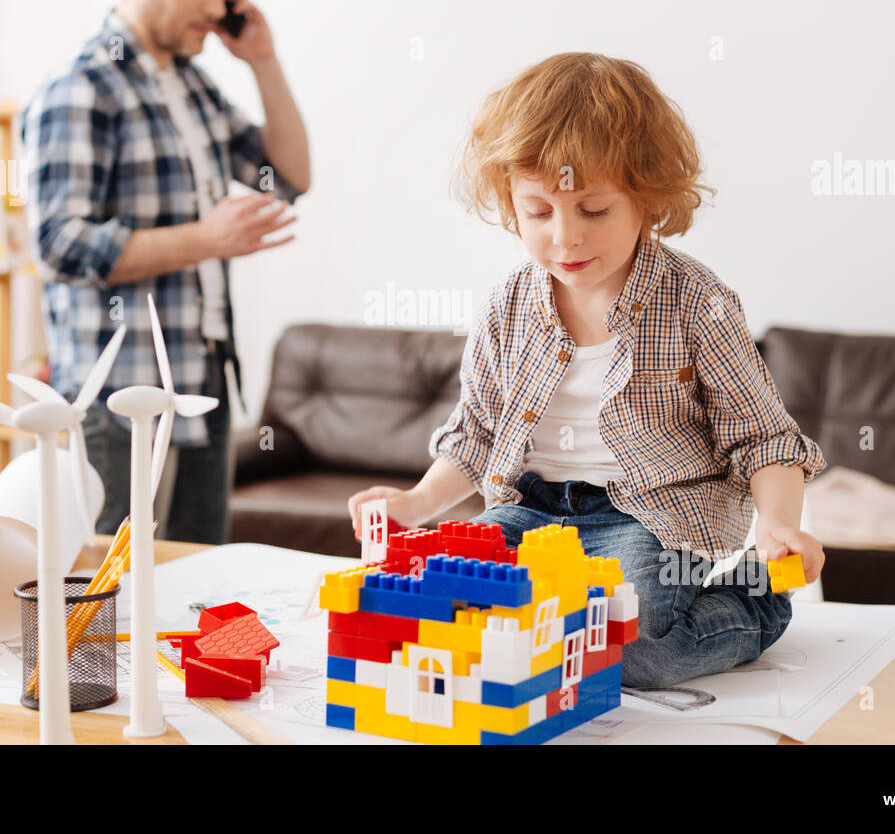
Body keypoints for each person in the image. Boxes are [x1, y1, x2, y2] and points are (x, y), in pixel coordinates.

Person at [347, 53, 826, 689]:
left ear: (649, 201)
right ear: (509, 203)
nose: (566, 238)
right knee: (456, 607)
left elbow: (763, 436)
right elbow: (478, 435)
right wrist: (415, 502)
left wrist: (778, 523)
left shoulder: (695, 301)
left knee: (630, 641)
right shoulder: (509, 305)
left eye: (593, 211)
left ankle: (754, 602)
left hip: (641, 518)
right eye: (539, 212)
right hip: (530, 511)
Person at [21, 0, 310, 543]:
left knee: (196, 585)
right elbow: (60, 245)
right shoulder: (82, 86)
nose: (215, 6)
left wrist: (263, 60)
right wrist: (208, 238)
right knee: (104, 599)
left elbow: (287, 176)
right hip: (116, 393)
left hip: (200, 378)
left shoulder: (190, 84)